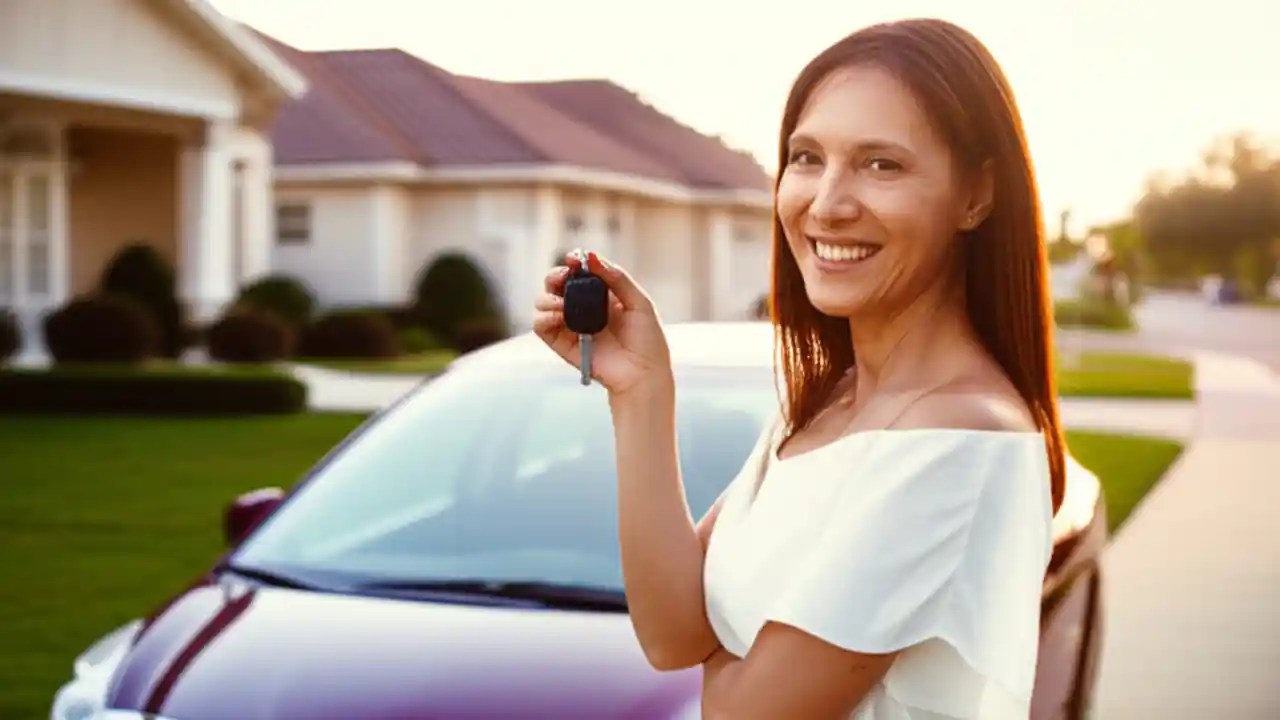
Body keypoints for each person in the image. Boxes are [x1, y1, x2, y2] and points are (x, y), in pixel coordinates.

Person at [532, 17, 1065, 720]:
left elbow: (739, 713)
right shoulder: (823, 405)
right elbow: (672, 634)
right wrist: (641, 390)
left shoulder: (957, 441)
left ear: (976, 195)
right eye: (807, 158)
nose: (827, 203)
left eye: (883, 165)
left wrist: (728, 662)